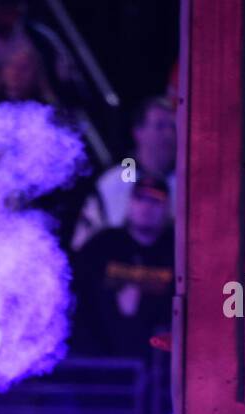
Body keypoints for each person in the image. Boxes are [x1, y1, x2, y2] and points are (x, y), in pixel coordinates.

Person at [70, 175, 174, 359]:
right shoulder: (103, 245)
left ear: (167, 208)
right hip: (103, 359)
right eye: (139, 198)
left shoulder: (175, 250)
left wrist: (142, 307)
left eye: (155, 201)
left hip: (159, 361)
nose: (146, 207)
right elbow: (79, 295)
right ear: (129, 203)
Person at [71, 97, 176, 250]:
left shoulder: (184, 181)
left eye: (173, 127)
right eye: (160, 126)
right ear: (138, 132)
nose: (168, 135)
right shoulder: (119, 177)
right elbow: (82, 242)